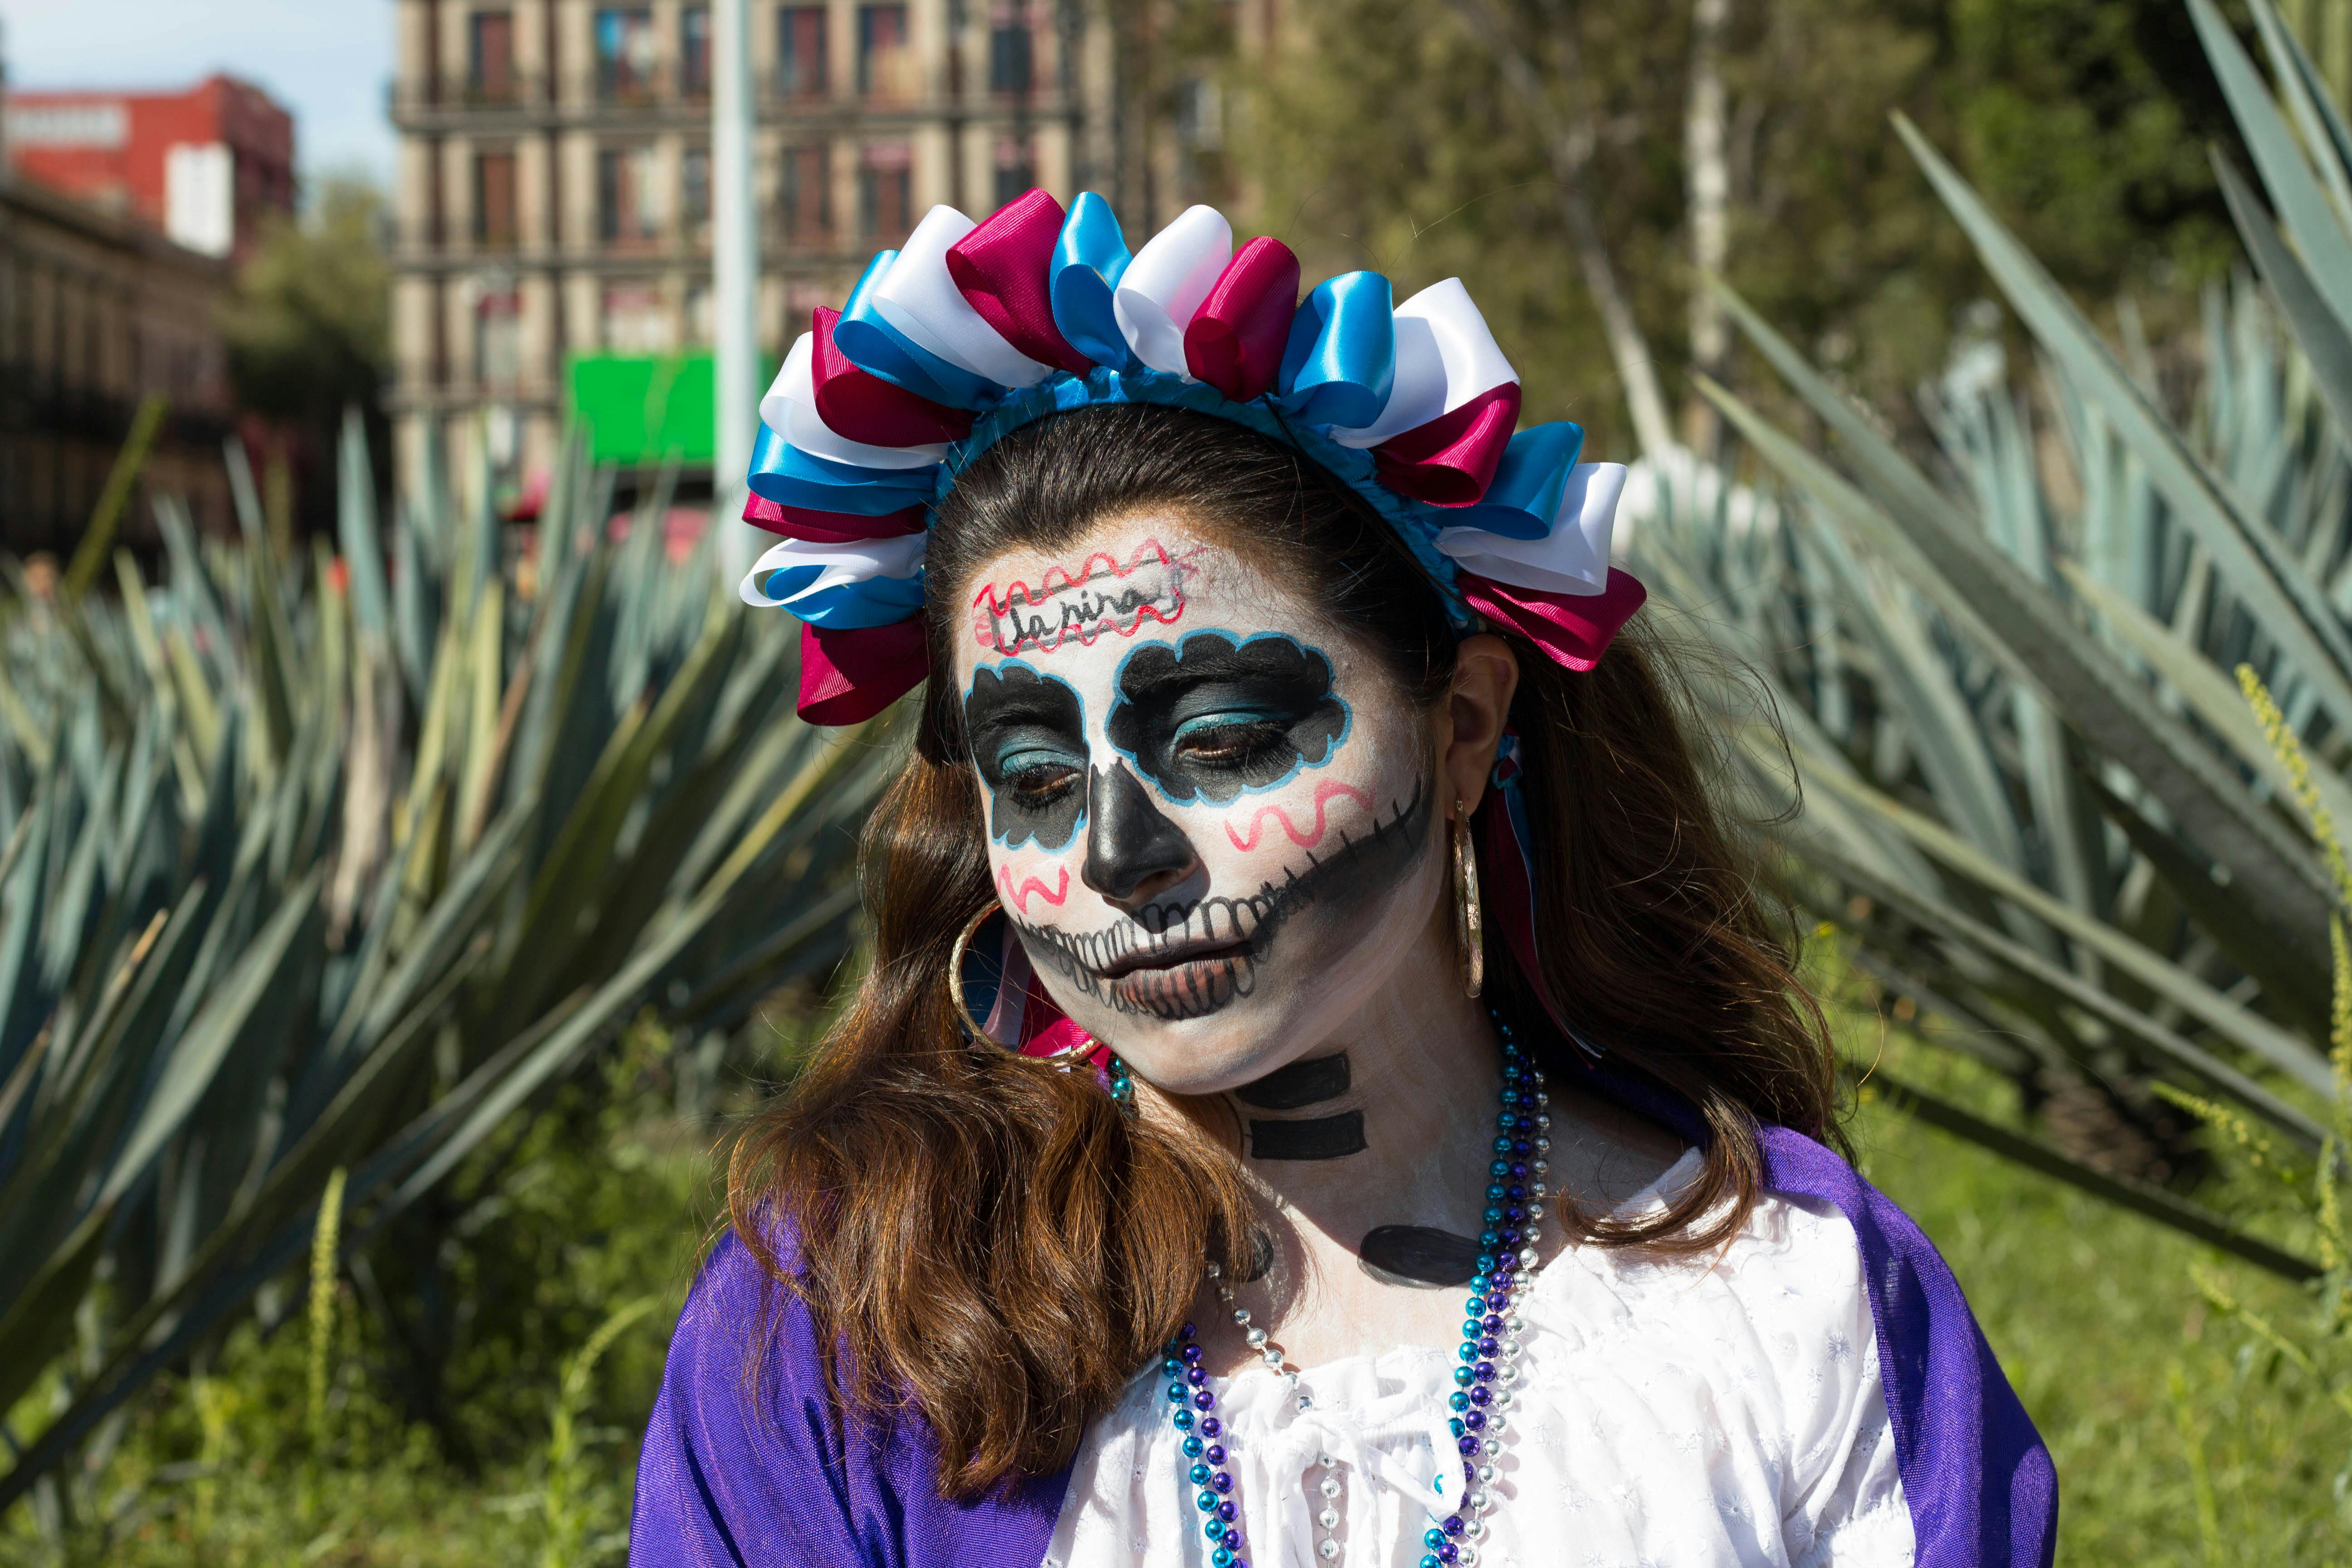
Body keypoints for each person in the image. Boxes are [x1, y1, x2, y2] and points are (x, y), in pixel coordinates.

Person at [629, 190, 2056, 1568]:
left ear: (1464, 728)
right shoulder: (858, 1313)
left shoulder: (1786, 1300)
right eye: (1039, 781)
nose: (1118, 862)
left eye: (1224, 740)